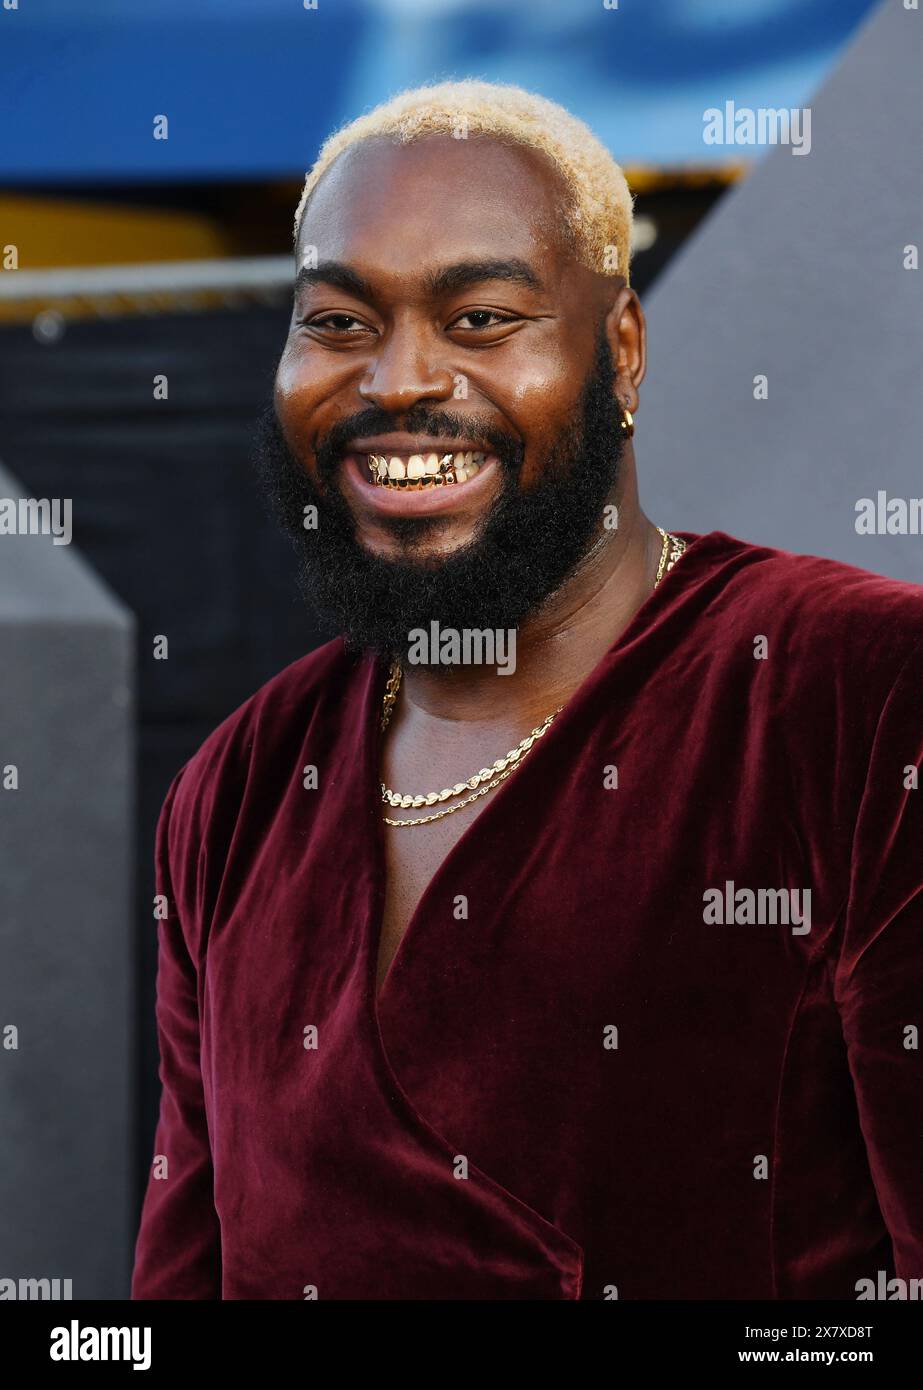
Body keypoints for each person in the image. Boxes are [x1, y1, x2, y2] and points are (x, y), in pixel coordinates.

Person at [131, 80, 923, 1300]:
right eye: (337, 321)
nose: (399, 380)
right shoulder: (238, 787)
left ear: (620, 352)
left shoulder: (855, 691)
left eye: (481, 317)